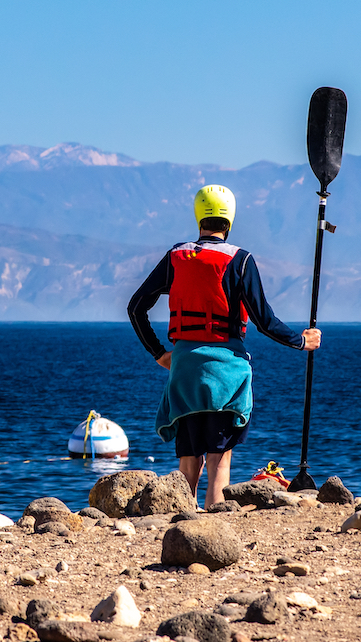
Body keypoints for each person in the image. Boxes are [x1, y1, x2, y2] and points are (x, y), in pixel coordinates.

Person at [128, 184, 322, 509]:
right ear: (229, 222)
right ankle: (212, 528)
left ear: (198, 218)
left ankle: (183, 523)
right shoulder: (241, 261)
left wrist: (159, 352)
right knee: (220, 461)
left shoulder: (176, 256)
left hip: (185, 371)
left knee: (189, 462)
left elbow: (136, 307)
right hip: (226, 374)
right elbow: (265, 321)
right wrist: (301, 341)